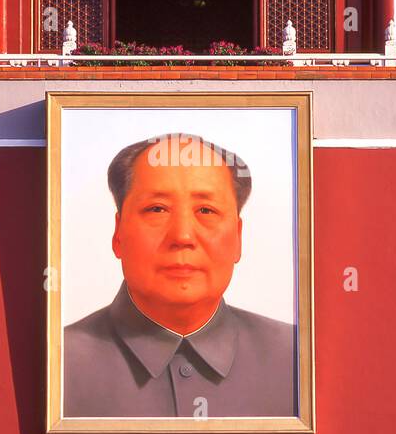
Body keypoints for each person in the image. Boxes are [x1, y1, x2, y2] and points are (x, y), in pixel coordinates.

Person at [63, 134, 296, 418]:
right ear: (118, 234)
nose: (183, 236)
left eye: (206, 210)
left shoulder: (298, 359)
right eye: (157, 209)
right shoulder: (58, 362)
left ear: (238, 237)